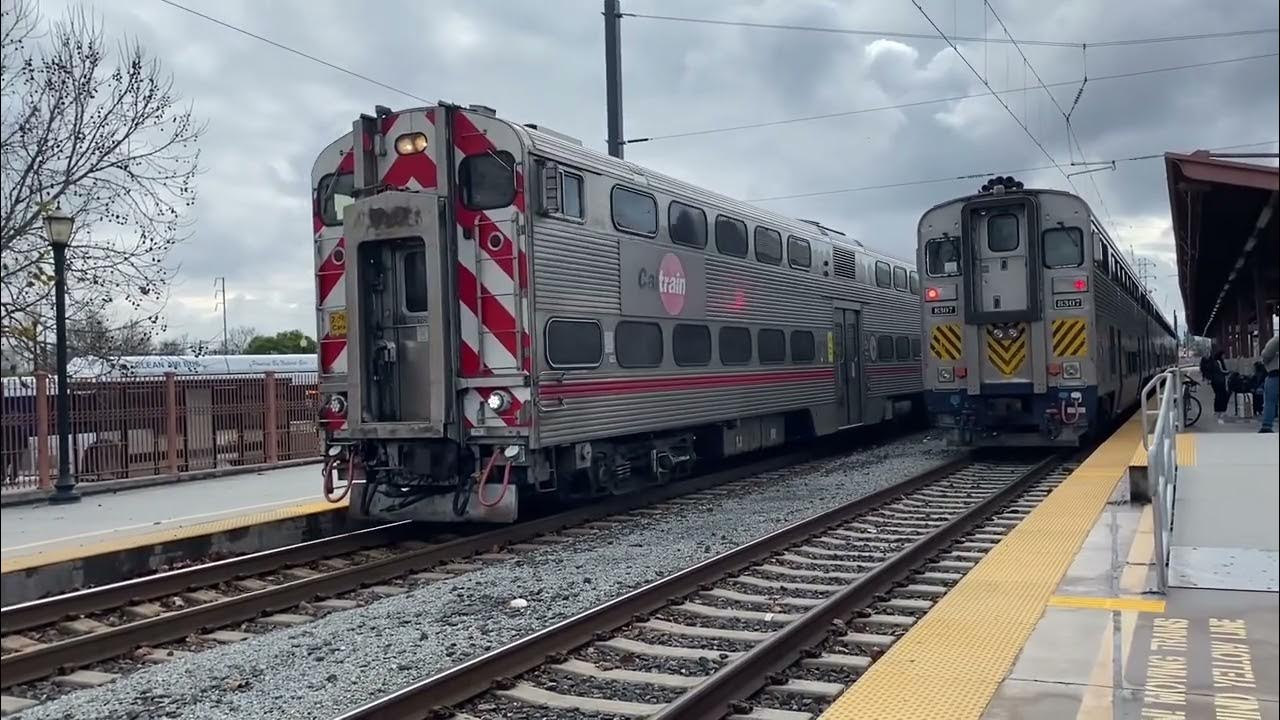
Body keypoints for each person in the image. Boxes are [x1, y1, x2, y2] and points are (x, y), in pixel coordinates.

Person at [1260, 335, 1279, 433]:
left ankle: (1267, 425)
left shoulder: (1276, 339)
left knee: (1270, 401)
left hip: (1274, 374)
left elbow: (1266, 353)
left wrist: (1265, 361)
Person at [1209, 350, 1230, 424]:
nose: (1224, 357)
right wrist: (1229, 372)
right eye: (1223, 355)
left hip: (1215, 382)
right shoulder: (1218, 362)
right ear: (1220, 355)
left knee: (1218, 396)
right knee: (1221, 396)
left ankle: (1217, 411)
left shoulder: (1215, 362)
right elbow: (1221, 371)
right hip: (1219, 382)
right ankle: (1220, 412)